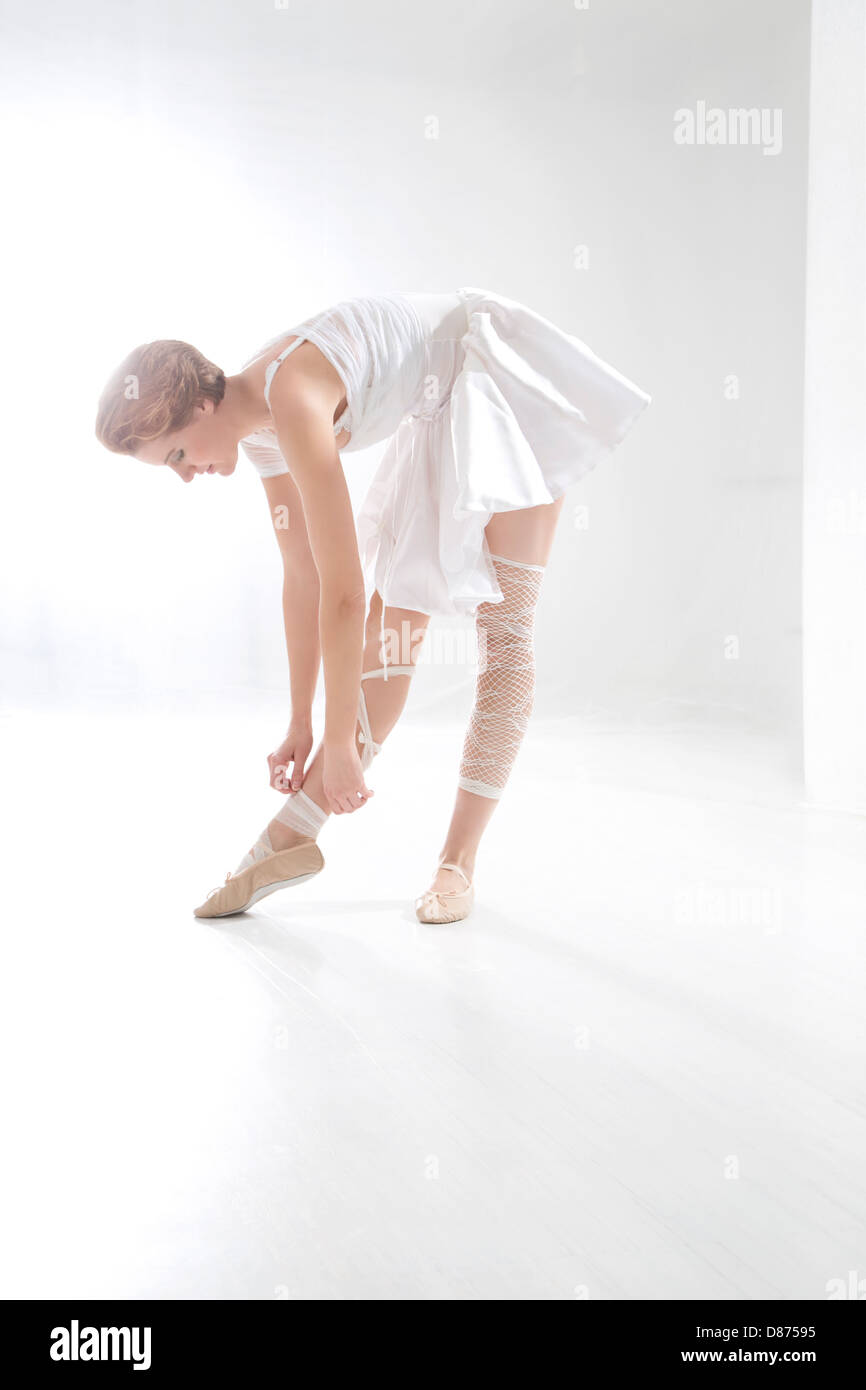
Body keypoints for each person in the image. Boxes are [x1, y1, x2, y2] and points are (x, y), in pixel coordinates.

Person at [95, 287, 651, 923]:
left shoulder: (292, 397)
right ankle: (291, 835)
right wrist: (302, 724)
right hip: (433, 411)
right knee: (391, 641)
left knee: (505, 631)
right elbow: (303, 577)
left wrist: (338, 740)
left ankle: (456, 864)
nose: (185, 475)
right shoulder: (259, 429)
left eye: (176, 454)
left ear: (200, 404)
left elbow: (344, 589)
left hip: (490, 376)